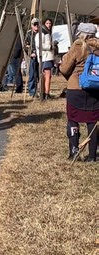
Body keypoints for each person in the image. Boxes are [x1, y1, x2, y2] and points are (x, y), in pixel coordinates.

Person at [60, 23, 99, 162]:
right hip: (95, 89)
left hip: (75, 89)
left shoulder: (78, 47)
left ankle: (74, 151)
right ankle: (93, 156)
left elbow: (64, 69)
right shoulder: (98, 47)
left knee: (73, 119)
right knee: (93, 121)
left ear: (81, 33)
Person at [35, 17, 54, 99]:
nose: (48, 25)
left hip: (48, 56)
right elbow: (39, 45)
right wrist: (49, 47)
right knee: (47, 75)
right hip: (45, 56)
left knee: (47, 76)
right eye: (47, 23)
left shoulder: (48, 32)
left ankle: (45, 92)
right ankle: (45, 93)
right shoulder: (42, 32)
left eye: (50, 23)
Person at [25, 18, 39, 97]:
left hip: (40, 56)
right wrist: (30, 53)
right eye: (34, 24)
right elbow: (26, 46)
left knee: (39, 74)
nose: (36, 26)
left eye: (37, 24)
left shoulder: (41, 33)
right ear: (32, 26)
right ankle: (32, 91)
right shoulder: (29, 34)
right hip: (32, 56)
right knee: (32, 74)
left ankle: (40, 90)